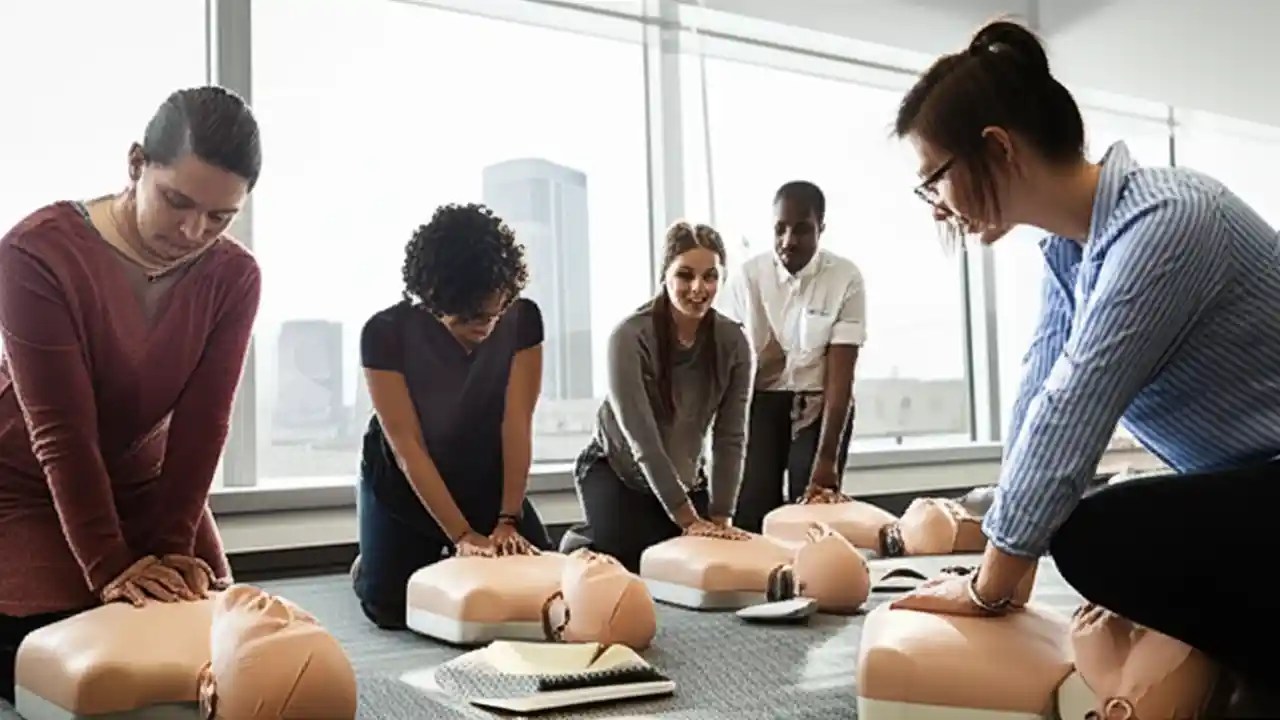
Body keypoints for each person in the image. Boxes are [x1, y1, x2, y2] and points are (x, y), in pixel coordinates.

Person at [887, 19, 1280, 708]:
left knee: (1095, 533)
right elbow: (1039, 400)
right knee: (1083, 523)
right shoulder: (1074, 254)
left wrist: (990, 585)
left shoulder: (1168, 222)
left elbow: (1076, 405)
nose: (936, 208)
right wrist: (1008, 549)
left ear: (997, 148)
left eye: (933, 182)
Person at [0, 86, 262, 703]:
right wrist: (113, 567)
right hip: (26, 480)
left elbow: (204, 421)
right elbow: (60, 433)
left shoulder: (235, 275)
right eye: (177, 201)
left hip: (144, 483)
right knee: (65, 642)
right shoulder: (34, 252)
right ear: (137, 162)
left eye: (221, 216)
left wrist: (170, 546)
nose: (195, 230)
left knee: (219, 632)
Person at [354, 202, 553, 629]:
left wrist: (507, 520)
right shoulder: (384, 333)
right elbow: (408, 447)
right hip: (404, 479)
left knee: (539, 583)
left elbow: (517, 421)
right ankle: (371, 564)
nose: (488, 325)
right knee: (390, 608)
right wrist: (463, 536)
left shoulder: (522, 320)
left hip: (483, 470)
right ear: (432, 301)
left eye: (496, 311)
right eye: (472, 318)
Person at [560, 221, 755, 573]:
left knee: (692, 559)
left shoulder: (735, 343)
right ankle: (580, 542)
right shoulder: (628, 337)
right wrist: (687, 519)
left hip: (684, 479)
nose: (699, 288)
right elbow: (642, 440)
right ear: (664, 275)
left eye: (711, 276)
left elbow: (731, 437)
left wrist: (721, 519)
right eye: (685, 275)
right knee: (635, 562)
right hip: (616, 471)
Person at [720, 181, 867, 533]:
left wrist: (828, 458)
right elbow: (729, 367)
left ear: (821, 229)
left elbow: (840, 374)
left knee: (812, 508)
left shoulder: (845, 278)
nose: (789, 240)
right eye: (780, 229)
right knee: (753, 509)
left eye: (802, 228)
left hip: (820, 400)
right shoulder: (748, 278)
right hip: (760, 401)